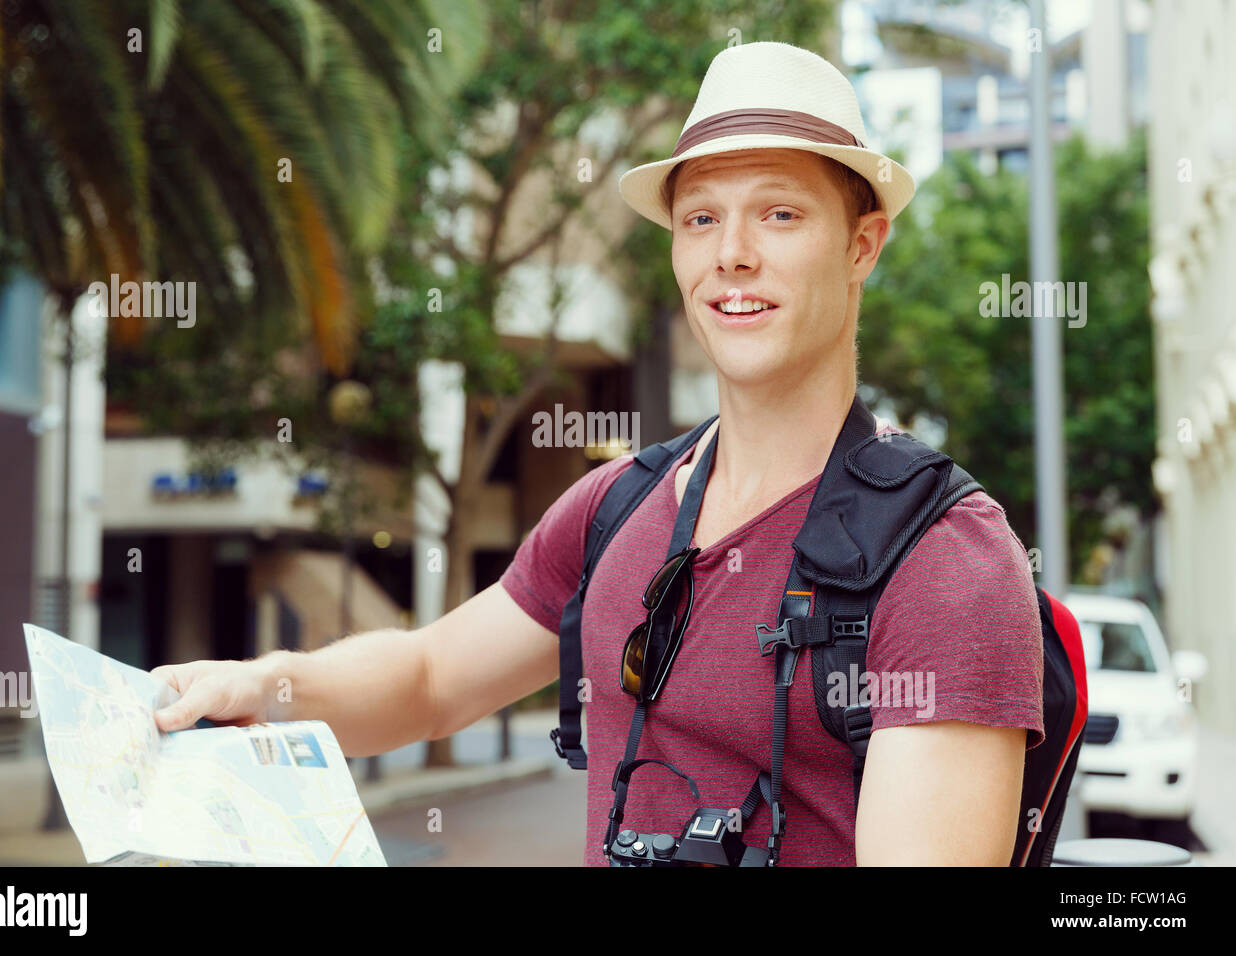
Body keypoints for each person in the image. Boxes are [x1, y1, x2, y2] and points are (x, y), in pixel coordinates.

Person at [153, 41, 1043, 866]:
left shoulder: (944, 559)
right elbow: (428, 679)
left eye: (778, 214)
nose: (730, 256)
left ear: (861, 245)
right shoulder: (616, 503)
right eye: (700, 219)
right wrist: (266, 684)